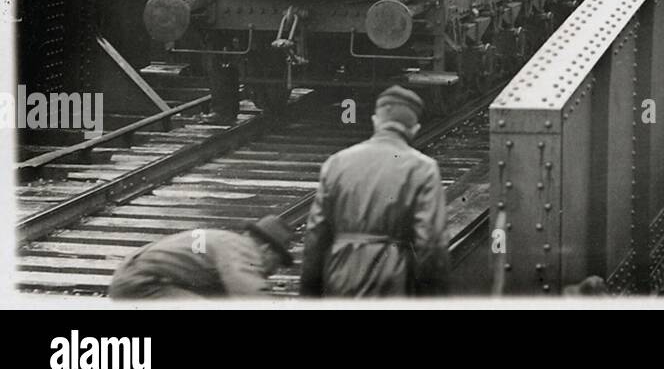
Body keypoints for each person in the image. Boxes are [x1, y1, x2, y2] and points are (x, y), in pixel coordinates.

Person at [300, 85, 450, 296]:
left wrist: (309, 295)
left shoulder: (337, 162)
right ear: (415, 129)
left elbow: (316, 235)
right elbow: (430, 242)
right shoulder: (423, 168)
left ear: (375, 122)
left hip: (341, 273)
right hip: (393, 278)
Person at [108, 215, 292, 299]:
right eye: (276, 264)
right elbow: (250, 295)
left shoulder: (225, 241)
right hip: (145, 284)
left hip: (133, 278)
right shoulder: (242, 249)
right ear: (267, 249)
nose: (272, 272)